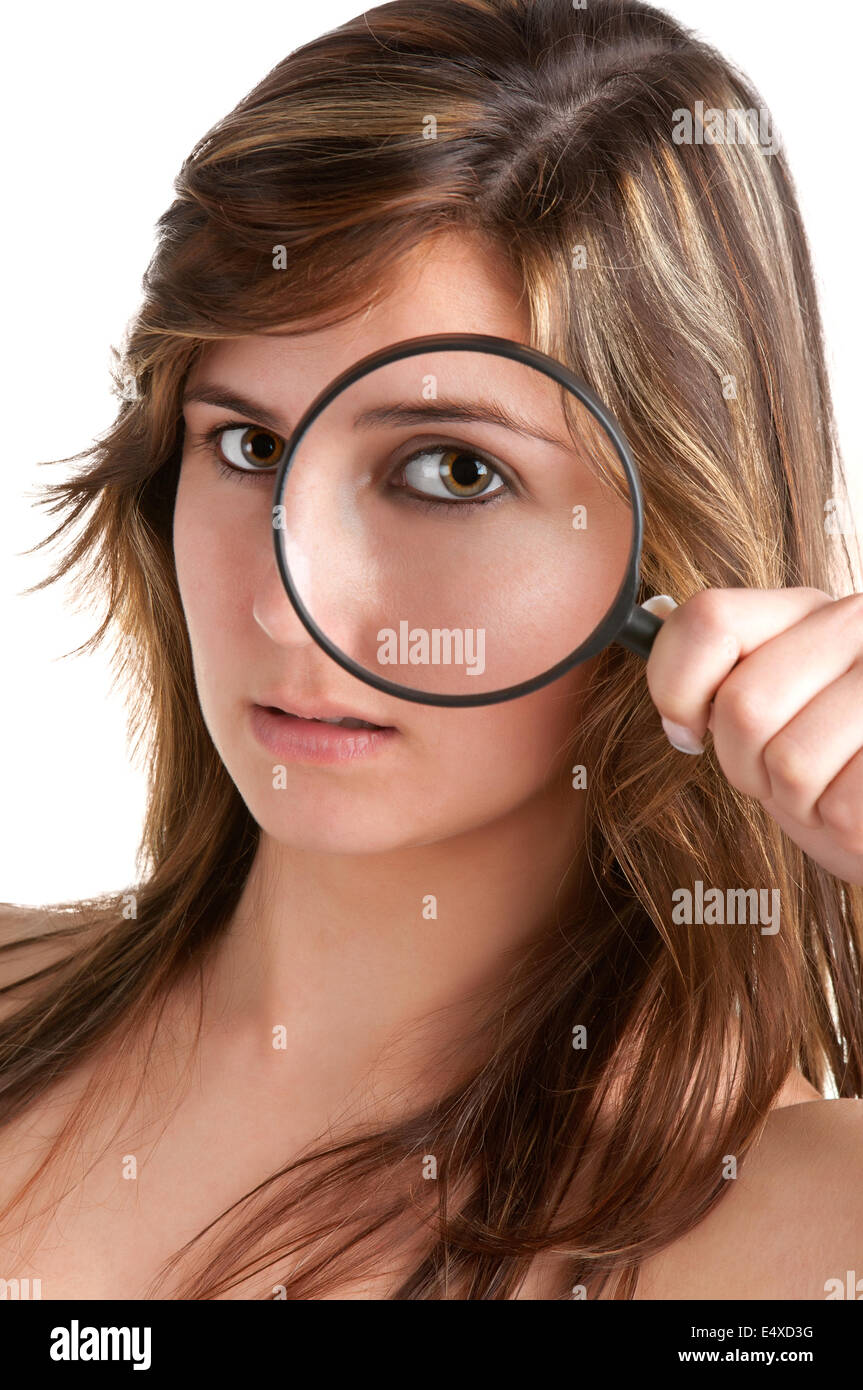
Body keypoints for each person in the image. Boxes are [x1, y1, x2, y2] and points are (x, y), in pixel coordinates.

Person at [1, 0, 861, 1301]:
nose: (296, 608)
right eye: (249, 446)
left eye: (452, 469)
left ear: (685, 543)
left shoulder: (793, 1233)